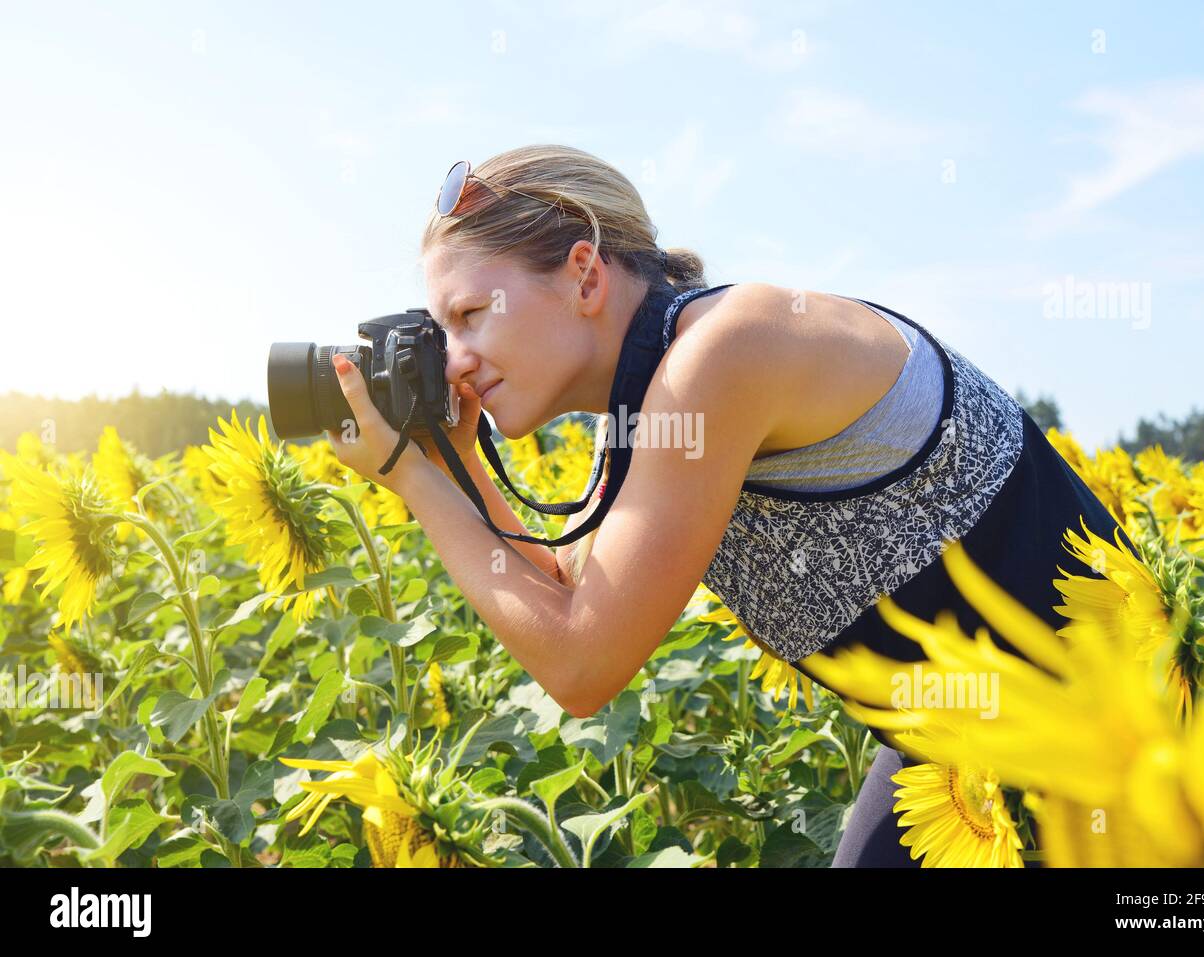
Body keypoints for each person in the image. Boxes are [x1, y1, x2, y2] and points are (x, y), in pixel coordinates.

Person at [325, 144, 1134, 867]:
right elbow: (567, 591)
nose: (455, 359)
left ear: (584, 274)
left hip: (1114, 718)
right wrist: (458, 460)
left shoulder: (723, 352)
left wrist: (412, 479)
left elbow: (580, 665)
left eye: (470, 315)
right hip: (962, 744)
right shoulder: (648, 403)